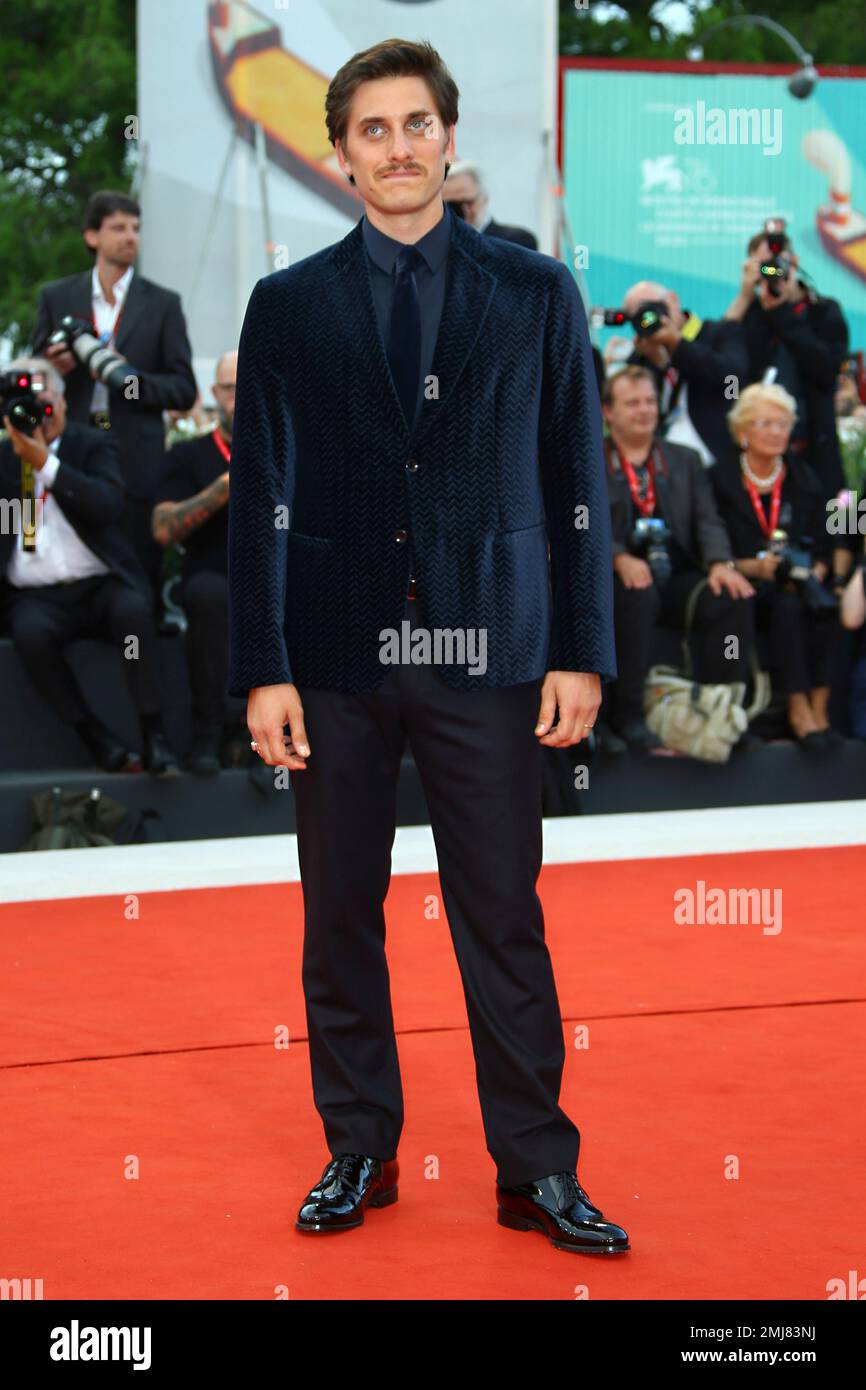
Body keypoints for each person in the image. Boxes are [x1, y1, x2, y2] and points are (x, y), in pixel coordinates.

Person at [227, 37, 629, 1256]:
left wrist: (581, 648)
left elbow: (574, 478)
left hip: (492, 651)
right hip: (338, 655)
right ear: (340, 156)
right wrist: (261, 665)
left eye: (416, 125)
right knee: (338, 913)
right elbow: (260, 503)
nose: (397, 149)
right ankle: (360, 1150)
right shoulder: (287, 308)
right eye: (372, 131)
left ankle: (533, 1171)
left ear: (447, 139)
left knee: (501, 914)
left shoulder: (536, 292)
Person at [0, 358, 178, 774]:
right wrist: (21, 454)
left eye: (44, 404)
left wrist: (45, 462)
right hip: (36, 597)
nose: (38, 414)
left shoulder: (92, 444)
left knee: (133, 614)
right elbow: (6, 521)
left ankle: (155, 733)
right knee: (30, 636)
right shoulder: (5, 459)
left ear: (62, 404)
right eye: (27, 406)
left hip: (99, 584)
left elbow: (106, 506)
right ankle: (94, 737)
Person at [31, 190, 197, 614]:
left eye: (136, 229)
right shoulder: (57, 298)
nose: (130, 238)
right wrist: (58, 365)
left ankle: (146, 663)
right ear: (92, 236)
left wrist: (132, 380)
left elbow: (183, 389)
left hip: (136, 456)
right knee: (68, 561)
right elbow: (32, 377)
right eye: (119, 228)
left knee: (138, 579)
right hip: (70, 447)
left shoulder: (163, 304)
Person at [600, 366, 755, 752]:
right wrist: (618, 557)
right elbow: (581, 526)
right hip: (616, 582)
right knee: (638, 593)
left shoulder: (683, 459)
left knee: (730, 596)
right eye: (632, 402)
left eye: (650, 401)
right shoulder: (591, 460)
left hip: (677, 572)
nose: (644, 410)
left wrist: (721, 563)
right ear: (608, 412)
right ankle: (629, 717)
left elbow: (708, 520)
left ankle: (724, 715)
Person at [709, 382, 845, 754]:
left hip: (797, 584)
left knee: (827, 610)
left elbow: (824, 540)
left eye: (783, 424)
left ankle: (820, 706)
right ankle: (796, 707)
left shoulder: (804, 478)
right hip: (746, 583)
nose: (776, 433)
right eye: (766, 424)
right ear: (743, 431)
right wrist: (751, 566)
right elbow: (707, 542)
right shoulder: (719, 478)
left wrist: (815, 568)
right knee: (787, 607)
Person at [152, 352, 237, 774]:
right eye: (230, 388)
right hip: (213, 576)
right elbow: (163, 530)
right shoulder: (189, 456)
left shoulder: (290, 450)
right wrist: (226, 485)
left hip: (281, 577)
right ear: (214, 395)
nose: (239, 398)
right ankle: (210, 734)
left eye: (248, 386)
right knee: (208, 594)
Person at [724, 230, 849, 500]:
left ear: (795, 262)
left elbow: (826, 370)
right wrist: (745, 297)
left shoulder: (823, 311)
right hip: (755, 454)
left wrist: (782, 314)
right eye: (762, 266)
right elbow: (728, 375)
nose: (771, 272)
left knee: (834, 527)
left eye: (776, 263)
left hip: (814, 444)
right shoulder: (749, 314)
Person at [622, 279, 748, 467]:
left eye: (652, 308)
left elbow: (733, 379)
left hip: (714, 459)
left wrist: (677, 345)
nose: (649, 318)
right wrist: (657, 364)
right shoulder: (642, 355)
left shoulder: (718, 334)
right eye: (639, 315)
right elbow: (633, 411)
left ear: (673, 299)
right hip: (660, 463)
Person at [442, 159, 538, 248]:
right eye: (453, 205)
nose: (464, 211)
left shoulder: (515, 240)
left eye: (468, 203)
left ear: (484, 198)